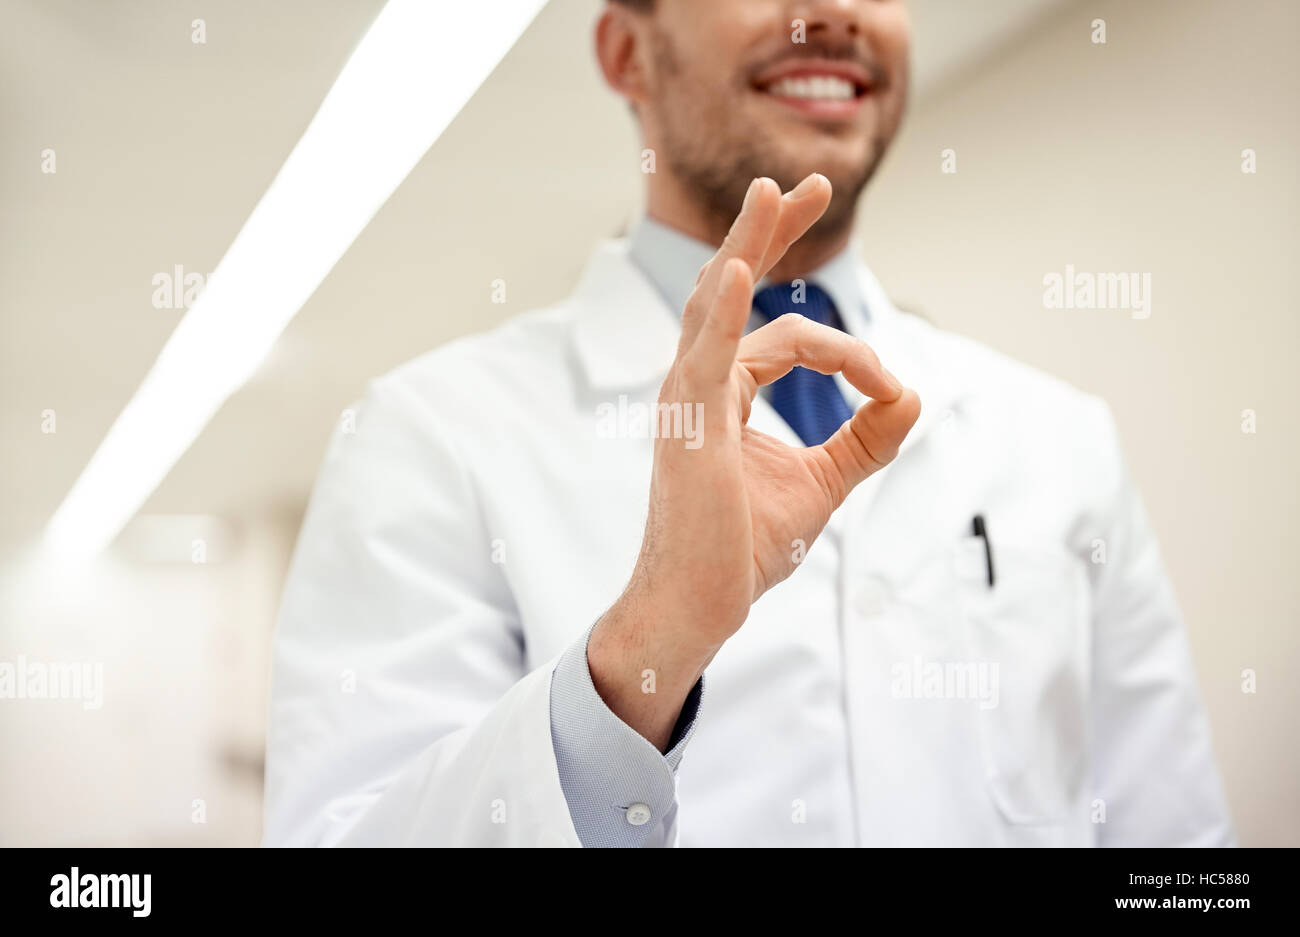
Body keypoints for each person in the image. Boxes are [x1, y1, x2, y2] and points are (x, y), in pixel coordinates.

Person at [263, 0, 1233, 847]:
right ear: (625, 54)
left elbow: (1175, 847)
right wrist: (651, 641)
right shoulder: (428, 433)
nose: (837, 10)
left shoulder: (1060, 439)